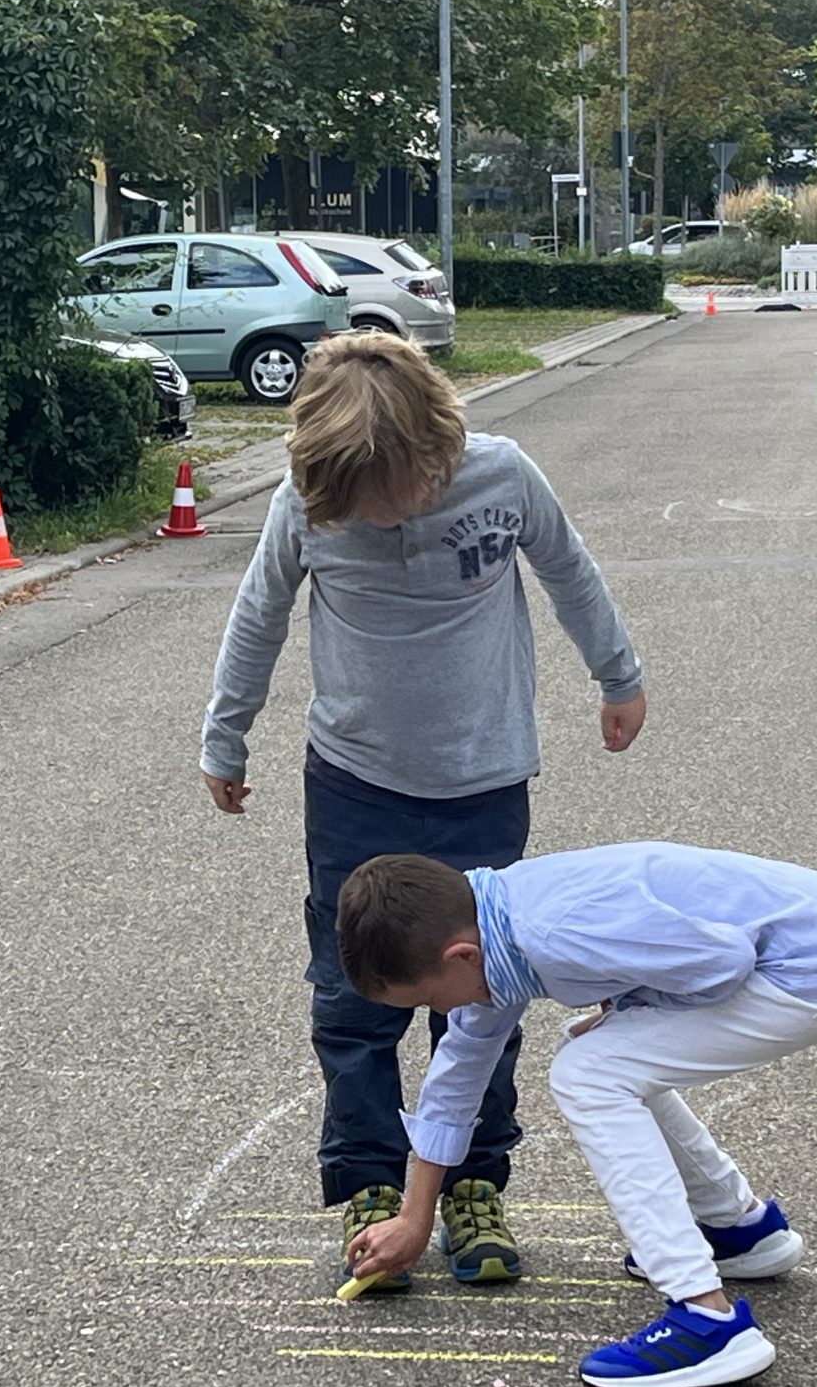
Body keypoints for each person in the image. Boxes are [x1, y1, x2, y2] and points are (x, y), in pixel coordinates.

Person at [200, 331, 647, 1290]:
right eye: (355, 499)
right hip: (356, 784)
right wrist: (224, 735)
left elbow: (571, 570)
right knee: (351, 993)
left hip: (483, 781)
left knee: (483, 988)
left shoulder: (501, 477)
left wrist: (619, 676)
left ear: (434, 449)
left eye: (393, 490)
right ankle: (368, 1182)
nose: (379, 513)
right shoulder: (307, 504)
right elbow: (259, 617)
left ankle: (474, 1181)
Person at [337, 844, 817, 1387]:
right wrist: (416, 1216)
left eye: (430, 999)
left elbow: (721, 963)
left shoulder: (556, 934)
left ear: (460, 957)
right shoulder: (493, 926)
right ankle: (738, 1229)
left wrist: (629, 1005)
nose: (439, 1012)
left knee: (590, 1072)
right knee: (610, 1059)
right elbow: (457, 1075)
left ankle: (706, 1321)